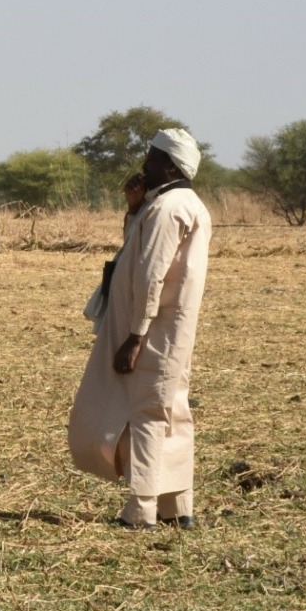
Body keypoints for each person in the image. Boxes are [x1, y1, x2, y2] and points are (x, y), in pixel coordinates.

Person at [67, 128, 212, 529]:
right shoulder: (174, 204)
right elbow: (136, 257)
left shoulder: (169, 209)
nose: (144, 165)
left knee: (146, 414)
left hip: (152, 331)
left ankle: (141, 510)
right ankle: (177, 507)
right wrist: (133, 209)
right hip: (166, 330)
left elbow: (151, 277)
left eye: (151, 159)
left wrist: (135, 336)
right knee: (171, 411)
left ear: (169, 165)